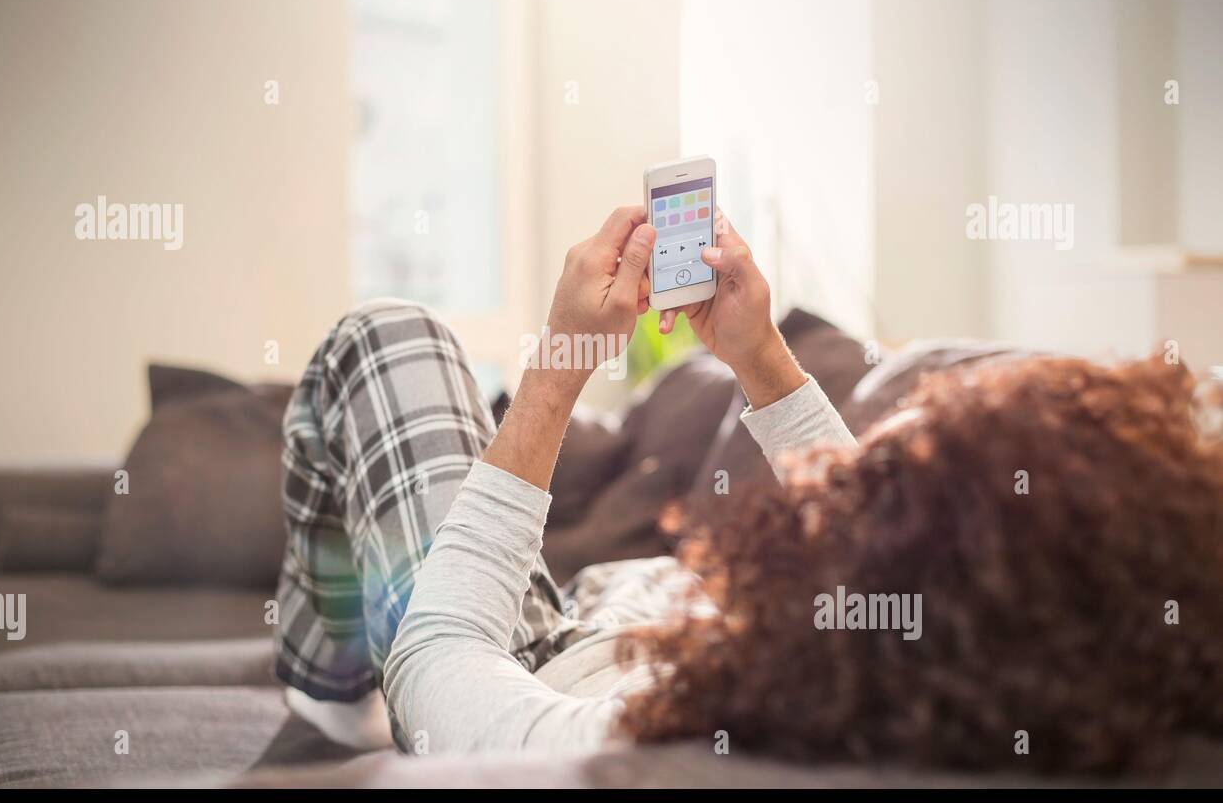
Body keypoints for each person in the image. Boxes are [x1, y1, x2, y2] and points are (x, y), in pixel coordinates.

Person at [272, 206, 1223, 774]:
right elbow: (881, 536)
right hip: (623, 619)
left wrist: (561, 365)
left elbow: (438, 653)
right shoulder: (949, 656)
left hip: (505, 658)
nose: (872, 466)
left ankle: (327, 684)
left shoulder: (638, 748)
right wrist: (757, 353)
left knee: (390, 337)